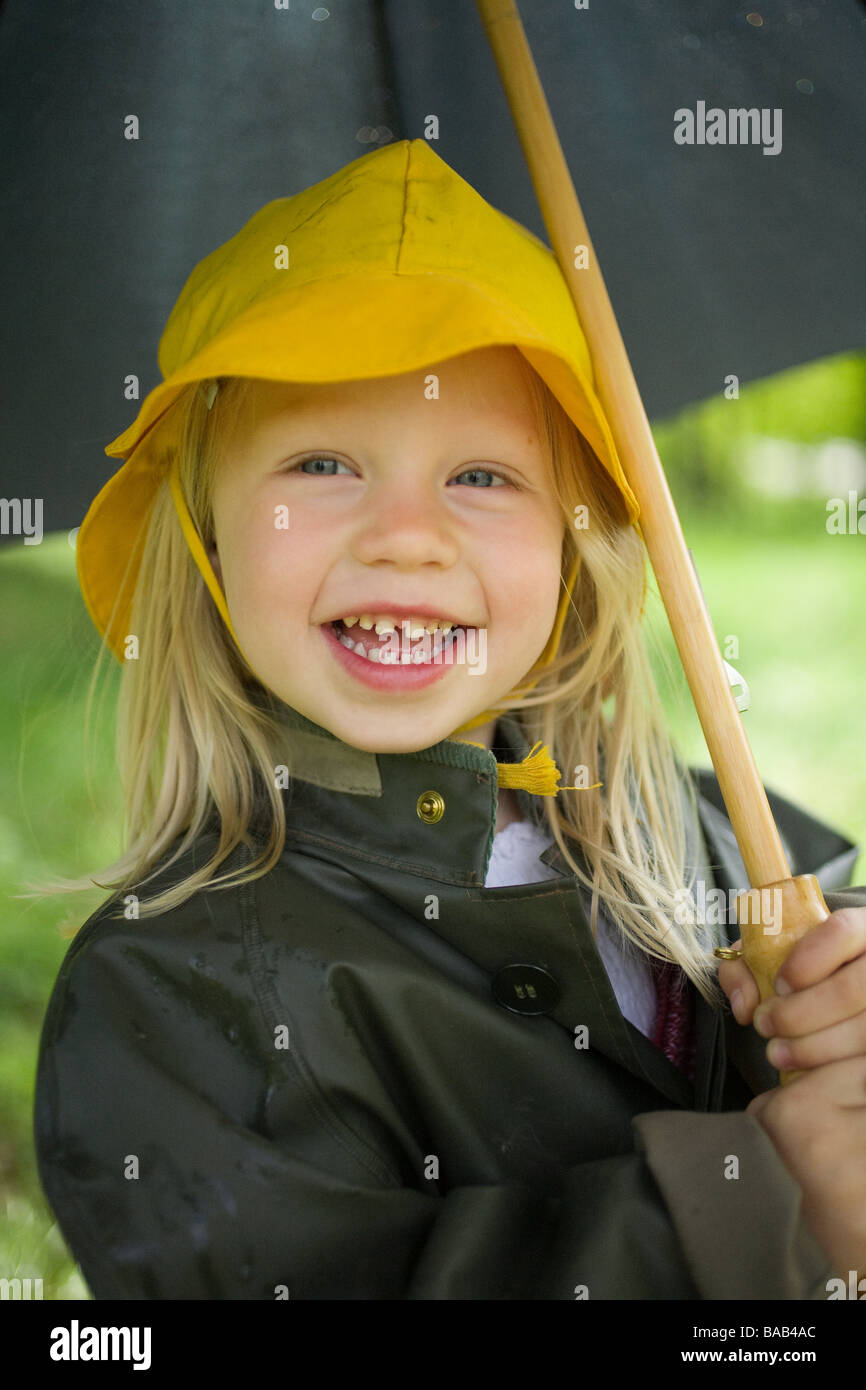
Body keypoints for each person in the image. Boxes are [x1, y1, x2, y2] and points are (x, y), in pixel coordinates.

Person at [33, 139, 866, 1300]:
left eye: (482, 476)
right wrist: (760, 1192)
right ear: (206, 541)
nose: (406, 536)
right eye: (322, 462)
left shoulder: (696, 830)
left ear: (575, 547)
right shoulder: (169, 999)